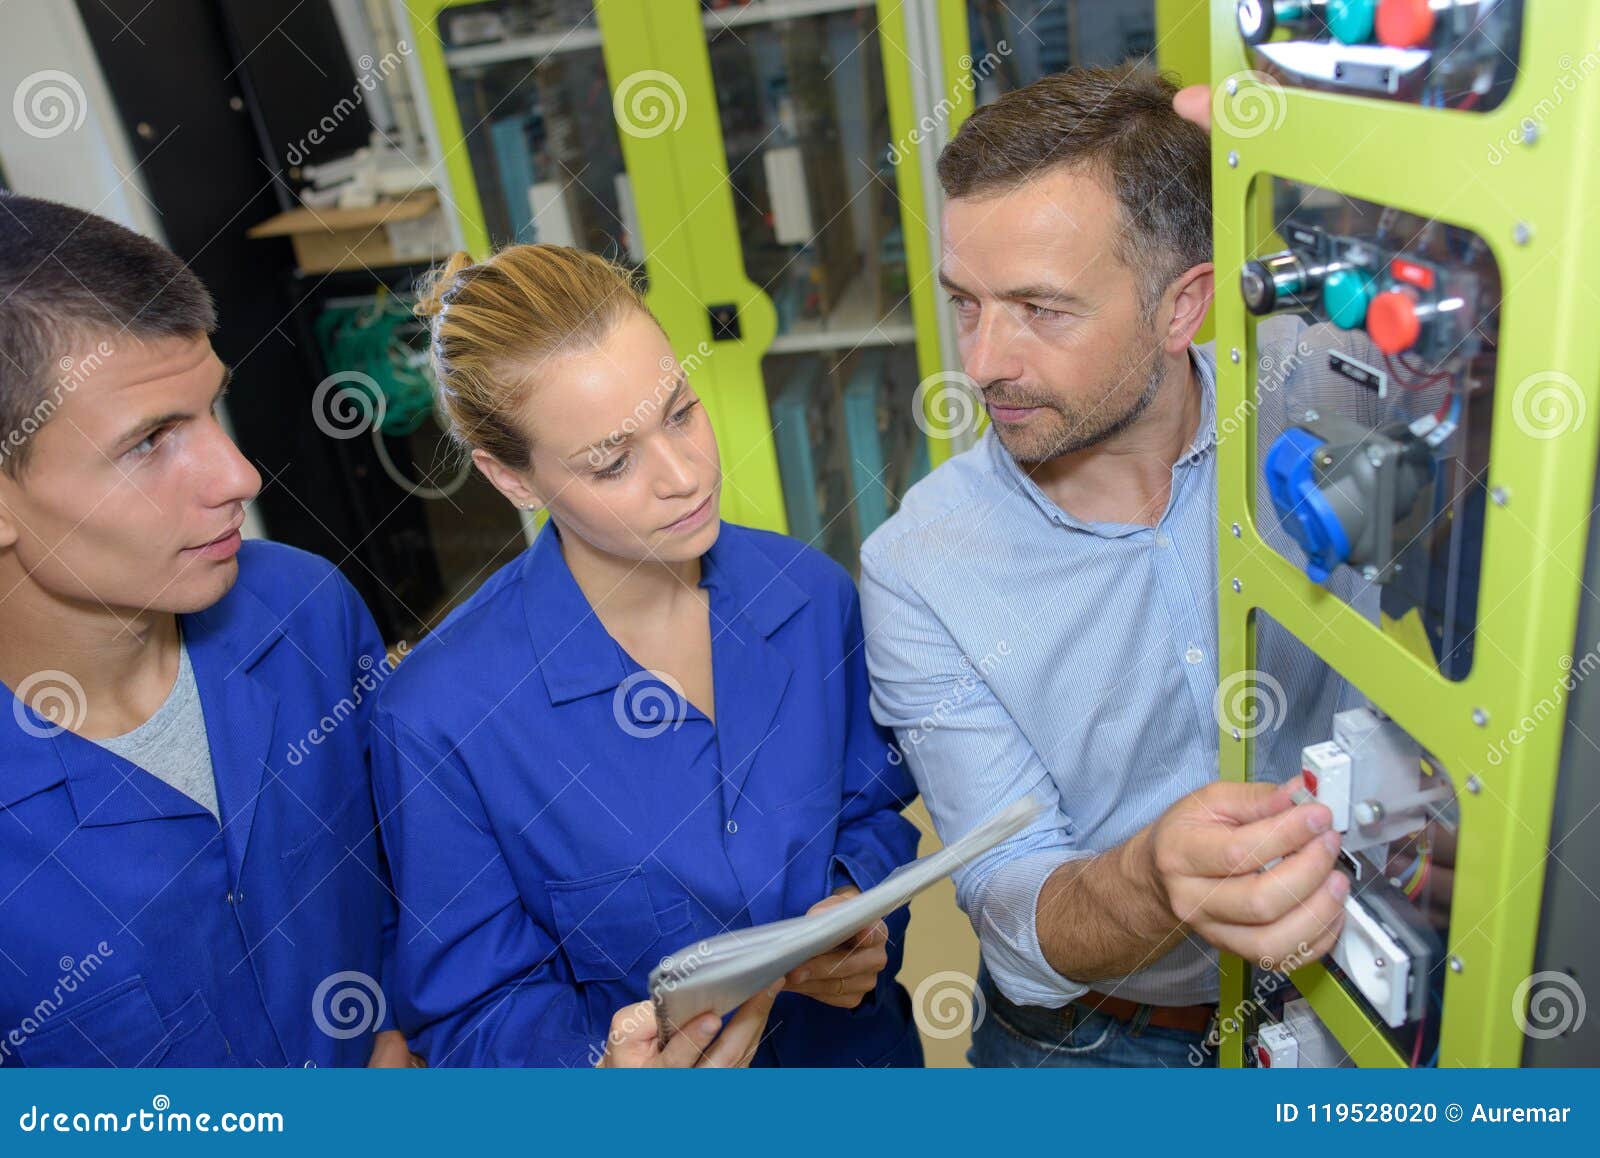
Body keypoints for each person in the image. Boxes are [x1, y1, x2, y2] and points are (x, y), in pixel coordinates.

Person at [859, 65, 1367, 1068]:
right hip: (1094, 1047)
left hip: (1351, 994)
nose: (984, 361)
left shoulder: (1329, 400)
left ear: (1183, 308)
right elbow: (1007, 896)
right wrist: (1152, 879)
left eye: (1041, 310)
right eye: (966, 303)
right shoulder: (915, 565)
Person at [369, 244, 925, 1068]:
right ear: (510, 478)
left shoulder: (809, 595)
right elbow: (471, 1009)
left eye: (681, 411)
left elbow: (870, 809)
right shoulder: (439, 717)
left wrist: (854, 909)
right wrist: (602, 1072)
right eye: (613, 462)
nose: (684, 474)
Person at [0, 193, 411, 1067]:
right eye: (150, 442)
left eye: (212, 409)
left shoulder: (306, 613)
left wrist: (397, 1032)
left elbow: (417, 882)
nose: (239, 474)